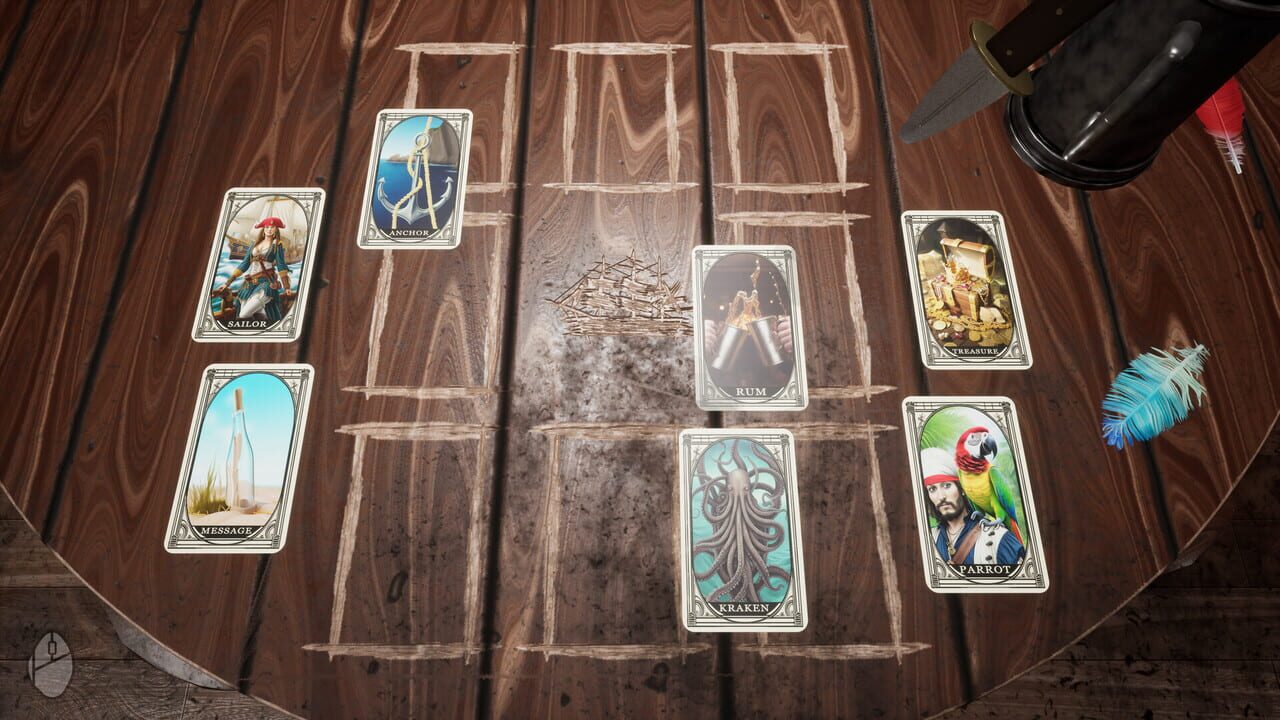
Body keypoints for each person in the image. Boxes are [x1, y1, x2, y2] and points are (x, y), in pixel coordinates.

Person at [920, 447, 1025, 567]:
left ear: (962, 489)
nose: (941, 496)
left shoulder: (999, 538)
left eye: (947, 485)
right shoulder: (929, 537)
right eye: (932, 489)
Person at [217, 217, 293, 323]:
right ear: (263, 229)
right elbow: (244, 264)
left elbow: (281, 265)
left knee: (243, 315)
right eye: (267, 227)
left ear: (276, 229)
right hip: (249, 284)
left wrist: (287, 286)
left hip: (266, 283)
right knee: (249, 314)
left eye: (272, 227)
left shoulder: (277, 245)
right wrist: (227, 283)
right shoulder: (254, 244)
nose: (269, 229)